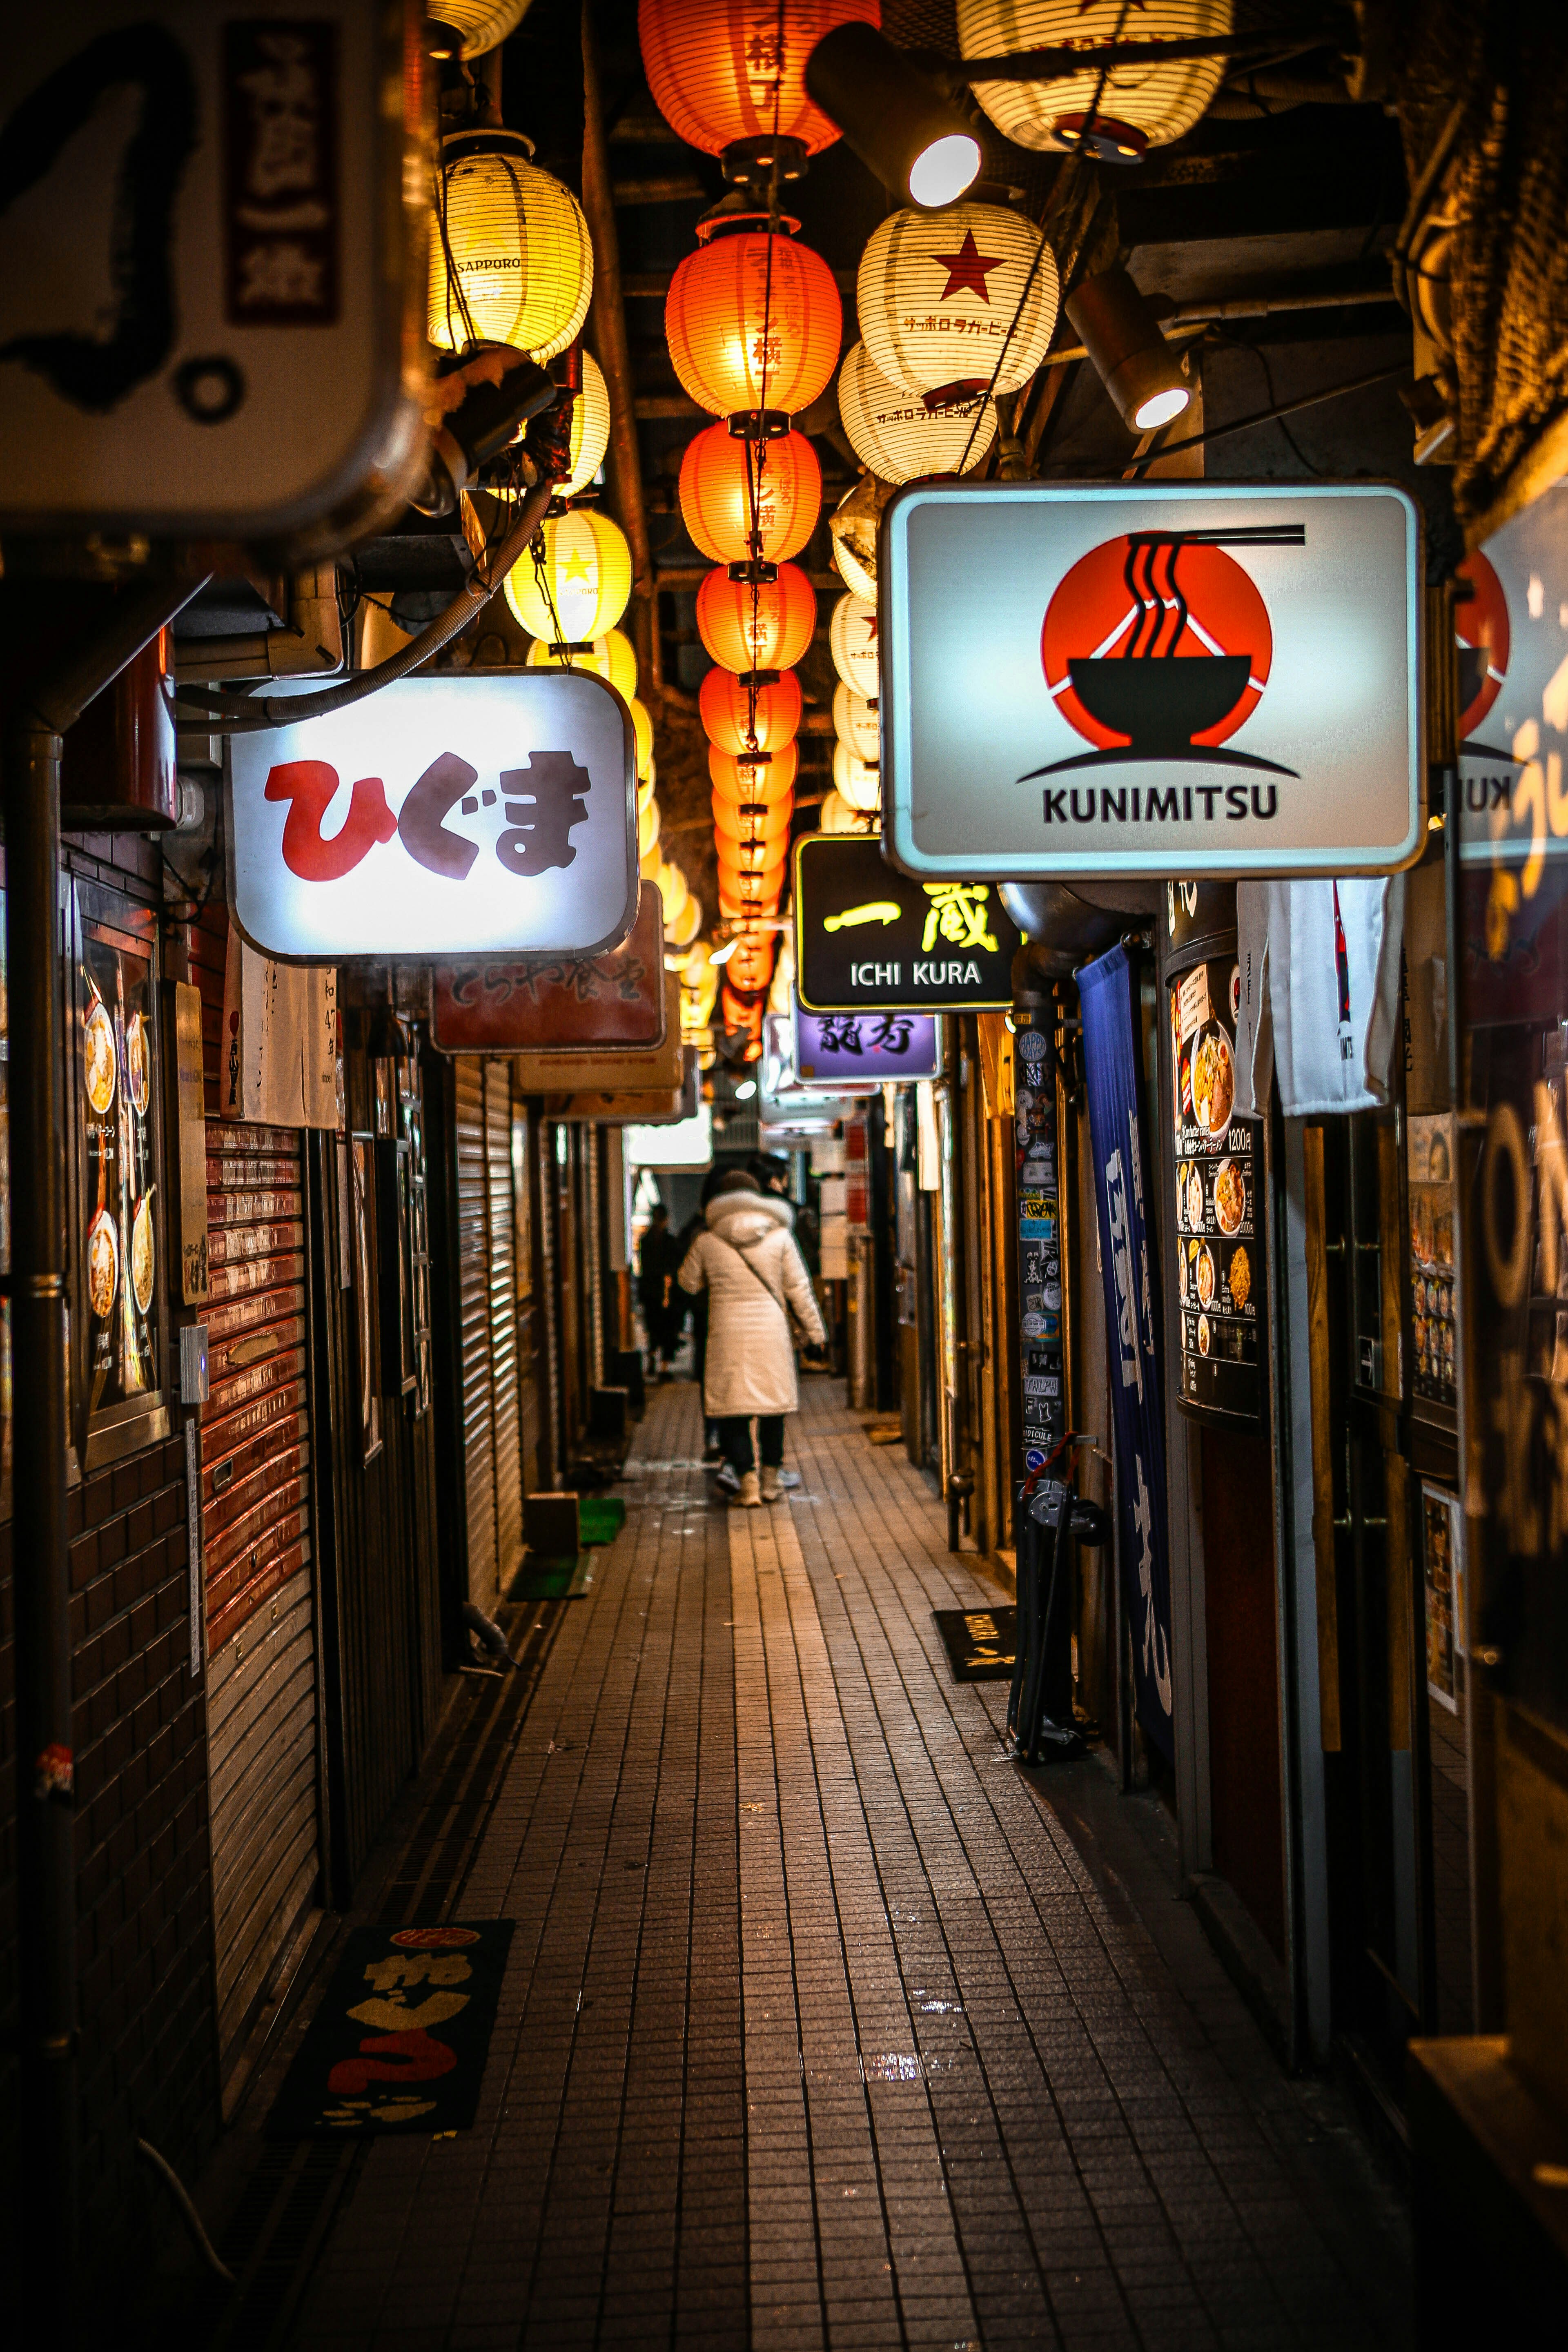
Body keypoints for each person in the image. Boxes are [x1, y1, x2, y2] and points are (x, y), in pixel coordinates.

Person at [678, 1169, 826, 1506]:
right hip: (771, 1334)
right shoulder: (781, 1237)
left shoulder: (707, 1240)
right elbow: (799, 1290)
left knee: (735, 1413)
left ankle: (748, 1486)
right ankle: (772, 1481)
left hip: (727, 1334)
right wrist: (816, 1333)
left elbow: (688, 1283)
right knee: (773, 1411)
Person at [636, 1202, 681, 1379]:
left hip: (650, 1291)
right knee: (667, 1328)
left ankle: (653, 1359)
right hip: (665, 1291)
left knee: (653, 1327)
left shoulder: (645, 1241)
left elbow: (644, 1268)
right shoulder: (669, 1242)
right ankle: (664, 1366)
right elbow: (673, 1266)